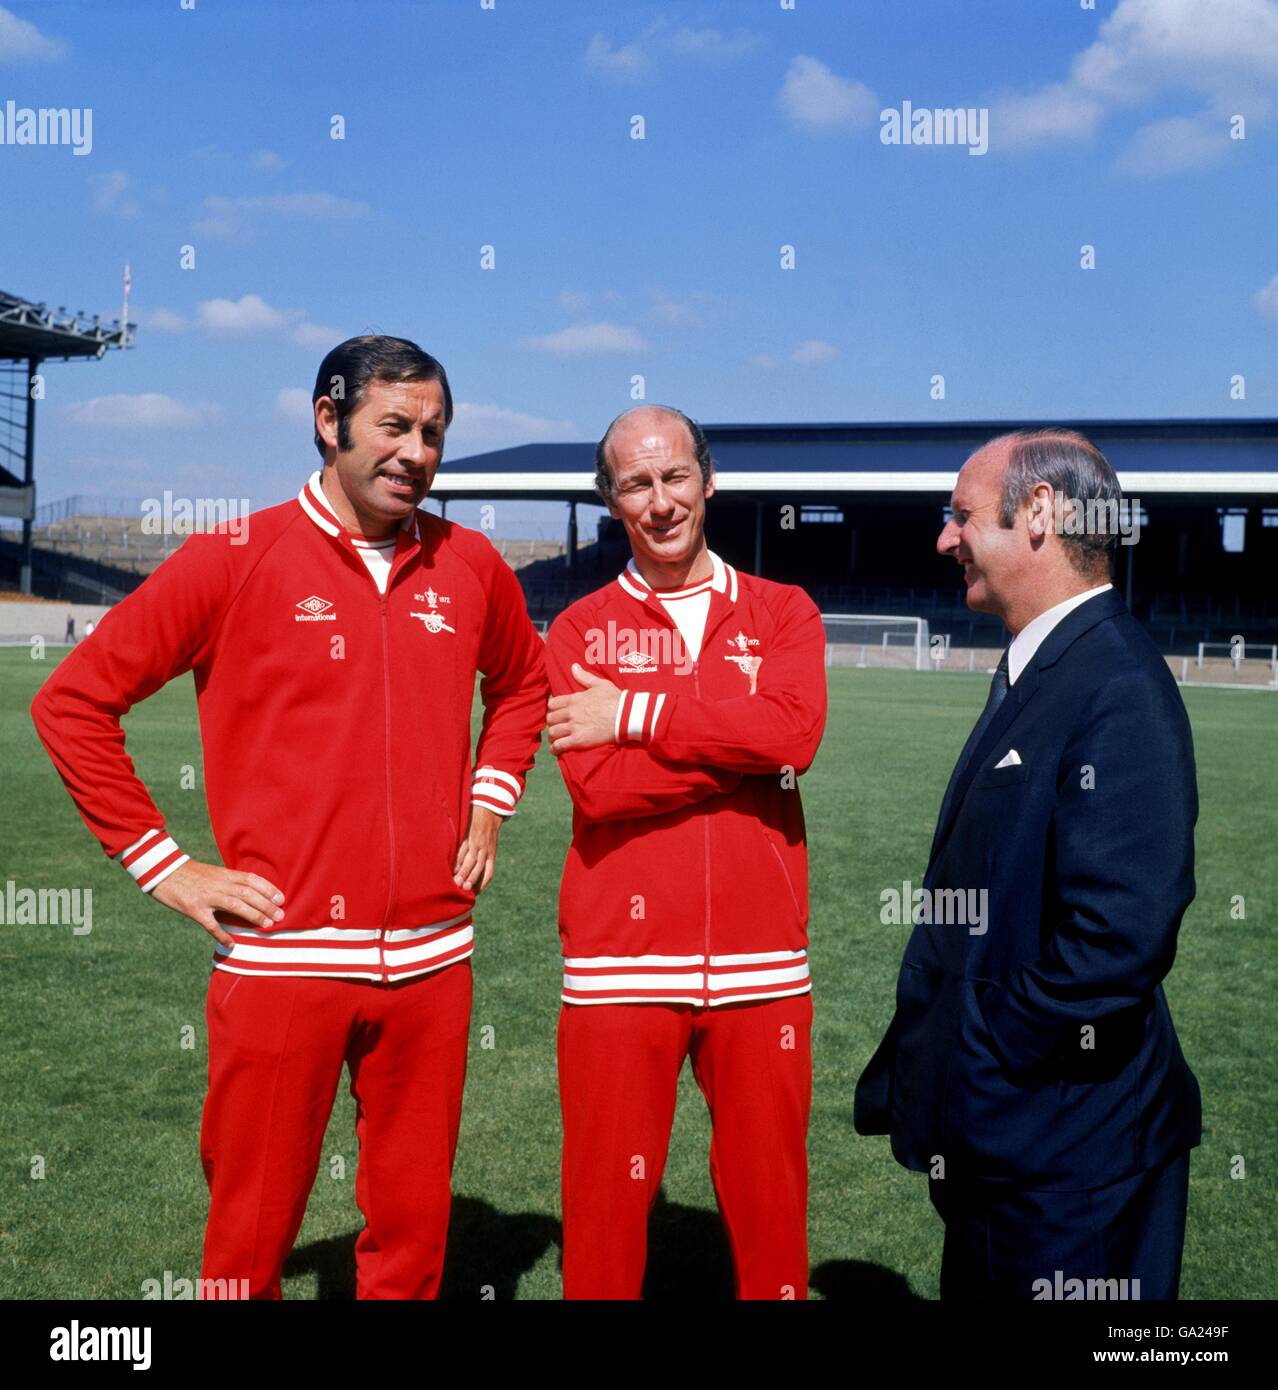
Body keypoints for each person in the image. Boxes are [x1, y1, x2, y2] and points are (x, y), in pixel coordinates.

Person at [30, 335, 548, 1299]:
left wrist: (488, 803)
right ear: (329, 422)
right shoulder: (235, 555)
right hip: (283, 963)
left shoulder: (473, 564)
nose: (416, 453)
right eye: (394, 426)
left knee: (413, 1235)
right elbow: (71, 704)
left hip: (434, 968)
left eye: (434, 433)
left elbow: (523, 687)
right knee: (248, 1240)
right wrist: (168, 868)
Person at [854, 428, 1201, 1300]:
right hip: (1014, 1154)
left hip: (1065, 1161)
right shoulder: (1050, 664)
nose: (944, 538)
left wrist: (985, 1053)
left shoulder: (1116, 683)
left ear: (1040, 513)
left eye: (960, 515)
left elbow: (1117, 941)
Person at [545, 405, 828, 1299]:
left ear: (708, 480)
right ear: (611, 501)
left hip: (762, 968)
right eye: (636, 483)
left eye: (675, 477)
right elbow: (601, 790)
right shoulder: (581, 631)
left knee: (772, 1207)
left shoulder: (783, 612)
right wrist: (745, 752)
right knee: (603, 1212)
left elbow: (795, 738)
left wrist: (637, 716)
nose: (660, 501)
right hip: (618, 972)